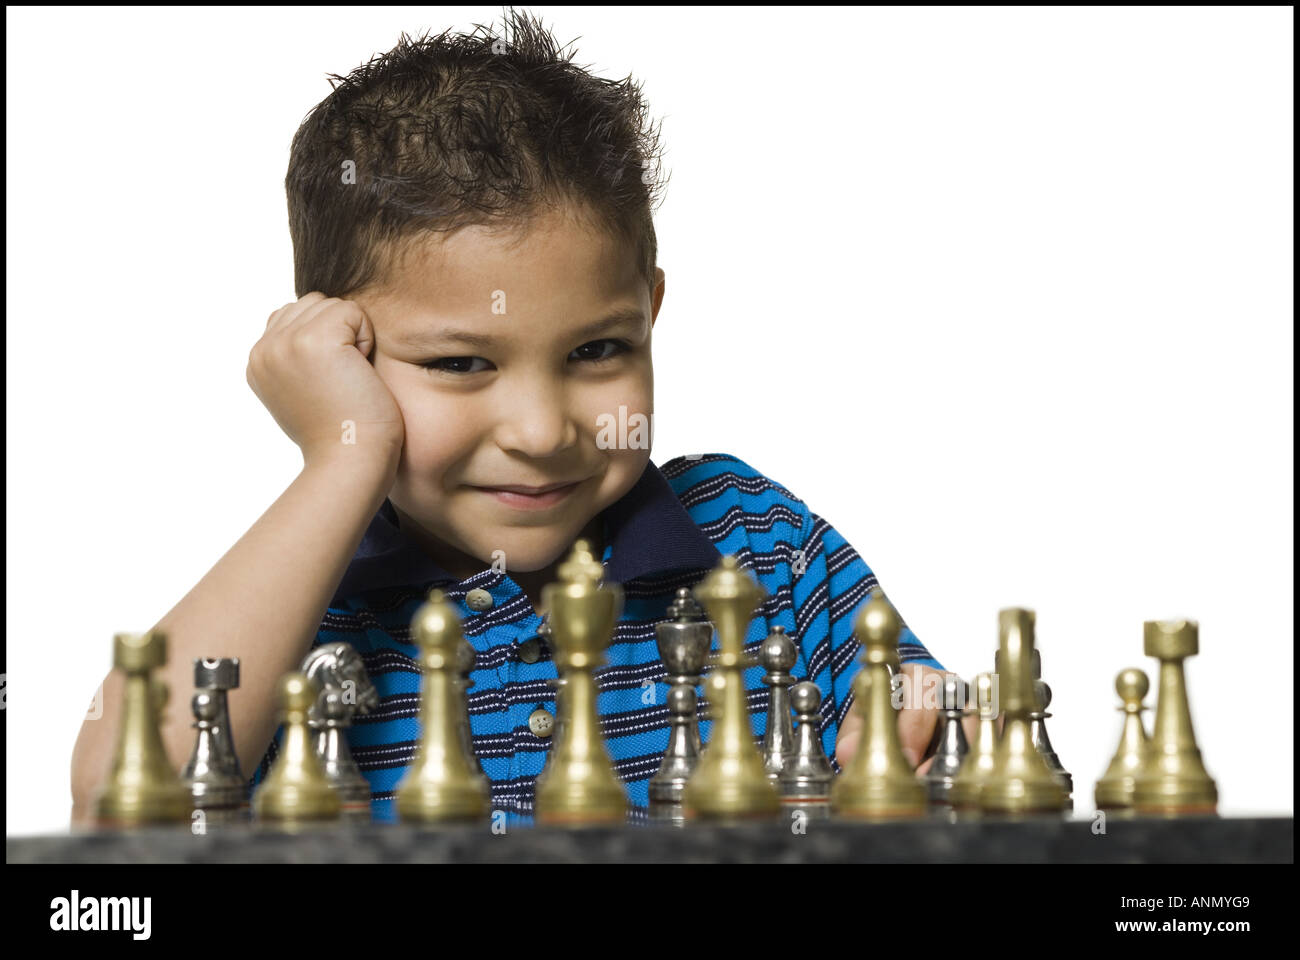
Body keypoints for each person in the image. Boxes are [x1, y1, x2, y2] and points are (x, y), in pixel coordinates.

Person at [70, 11, 966, 826]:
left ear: (650, 312)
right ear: (340, 351)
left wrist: (942, 734)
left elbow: (938, 726)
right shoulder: (302, 600)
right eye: (460, 364)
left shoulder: (751, 539)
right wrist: (345, 458)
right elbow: (118, 810)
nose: (541, 432)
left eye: (596, 352)